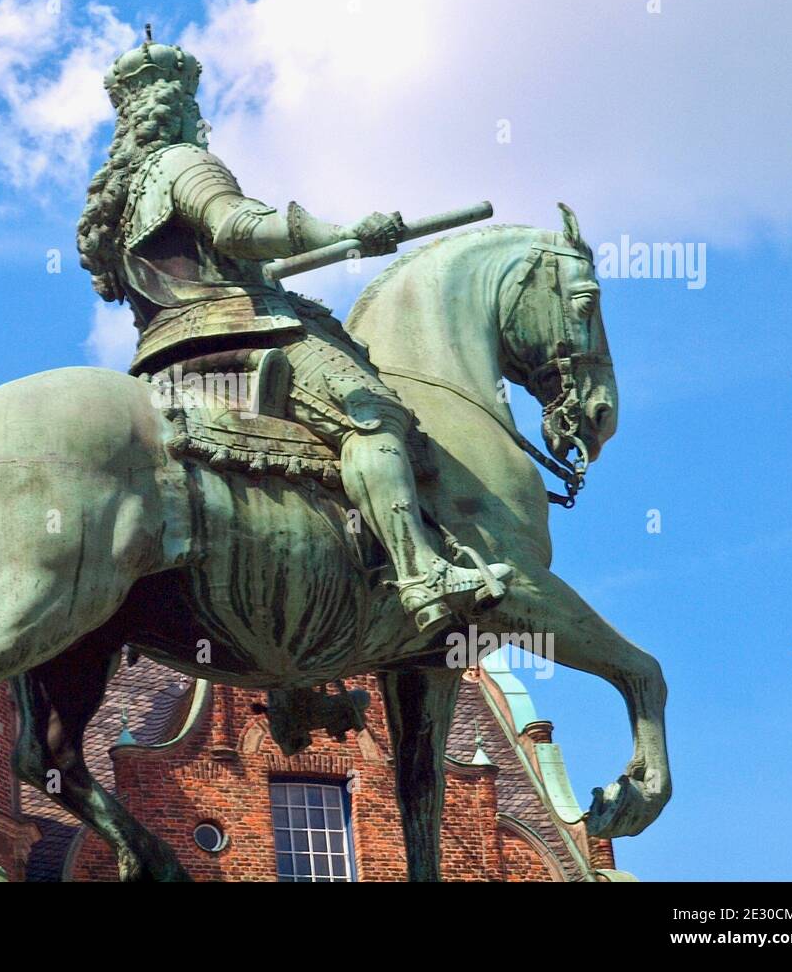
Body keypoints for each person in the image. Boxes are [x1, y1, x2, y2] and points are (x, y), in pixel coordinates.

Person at [77, 34, 510, 632]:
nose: (196, 117)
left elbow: (206, 262)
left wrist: (260, 268)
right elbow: (238, 227)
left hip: (164, 362)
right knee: (373, 414)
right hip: (239, 337)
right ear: (177, 108)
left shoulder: (119, 200)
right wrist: (343, 230)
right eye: (190, 105)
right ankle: (421, 572)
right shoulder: (185, 164)